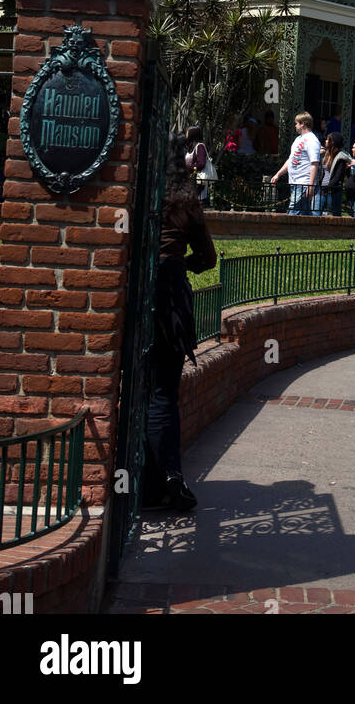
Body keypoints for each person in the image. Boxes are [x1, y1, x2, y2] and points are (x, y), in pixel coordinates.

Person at [143, 134, 216, 514]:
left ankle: (144, 477)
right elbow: (208, 257)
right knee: (162, 392)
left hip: (137, 291)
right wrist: (179, 265)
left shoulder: (143, 191)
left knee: (142, 388)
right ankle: (163, 481)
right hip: (170, 295)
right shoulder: (186, 199)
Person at [271, 112, 321, 214]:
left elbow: (314, 164)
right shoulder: (298, 139)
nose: (295, 125)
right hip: (294, 182)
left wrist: (310, 185)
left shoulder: (312, 140)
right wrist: (278, 174)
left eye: (296, 123)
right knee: (303, 215)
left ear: (302, 124)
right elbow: (291, 160)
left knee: (293, 213)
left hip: (303, 183)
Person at [313, 132, 352, 215]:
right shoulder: (327, 154)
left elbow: (337, 177)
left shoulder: (341, 157)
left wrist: (327, 188)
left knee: (336, 215)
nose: (326, 141)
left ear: (332, 142)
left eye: (328, 139)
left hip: (333, 191)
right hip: (322, 189)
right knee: (315, 214)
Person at [184, 124, 210, 203]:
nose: (186, 135)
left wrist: (188, 167)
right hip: (189, 181)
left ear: (193, 134)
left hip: (197, 183)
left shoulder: (200, 146)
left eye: (187, 133)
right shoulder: (191, 147)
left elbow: (201, 164)